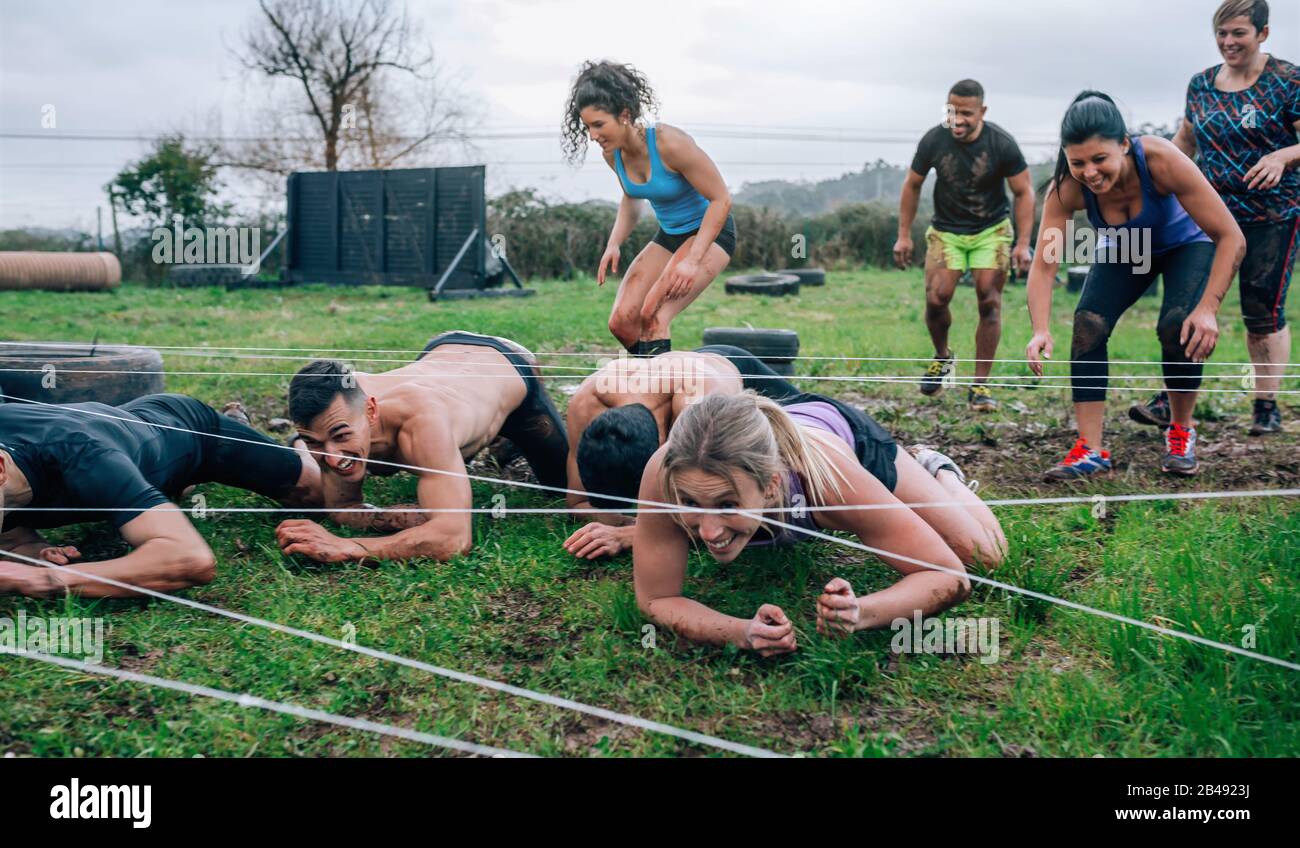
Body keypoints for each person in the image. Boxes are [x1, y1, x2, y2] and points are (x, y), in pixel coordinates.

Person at [632, 393, 1006, 656]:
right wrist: (741, 632)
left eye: (728, 504)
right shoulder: (666, 470)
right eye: (691, 504)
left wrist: (862, 612)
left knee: (985, 555)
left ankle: (933, 468)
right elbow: (656, 598)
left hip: (846, 440)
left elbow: (948, 576)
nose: (709, 533)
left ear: (771, 486)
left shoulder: (830, 481)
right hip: (765, 440)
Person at [1025, 92, 1246, 480]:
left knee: (1177, 324)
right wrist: (1040, 329)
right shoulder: (1066, 189)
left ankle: (1181, 430)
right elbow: (1045, 267)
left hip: (1187, 243)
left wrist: (1208, 308)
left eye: (1099, 160)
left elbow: (1231, 237)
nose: (1090, 173)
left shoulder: (1161, 160)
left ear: (1124, 144)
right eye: (1078, 162)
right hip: (1129, 247)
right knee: (1088, 324)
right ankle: (1090, 450)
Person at [1132, 0, 1299, 435]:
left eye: (1238, 33)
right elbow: (1183, 142)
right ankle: (1172, 398)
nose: (1229, 42)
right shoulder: (1201, 86)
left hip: (1273, 213)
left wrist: (1284, 155)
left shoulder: (1288, 81)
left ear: (1262, 33)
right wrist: (1147, 177)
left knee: (1261, 312)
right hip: (1207, 216)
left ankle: (1266, 405)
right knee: (1187, 306)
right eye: (1222, 34)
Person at [275, 331, 568, 563]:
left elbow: (453, 540)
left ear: (371, 411)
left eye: (340, 436)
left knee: (563, 487)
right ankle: (496, 445)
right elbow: (342, 507)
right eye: (312, 442)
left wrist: (349, 547)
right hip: (441, 351)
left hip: (509, 364)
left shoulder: (420, 420)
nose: (332, 458)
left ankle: (506, 441)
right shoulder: (339, 410)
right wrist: (392, 517)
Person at [0, 393, 321, 597]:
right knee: (164, 488)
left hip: (191, 431)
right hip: (127, 438)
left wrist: (41, 579)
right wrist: (32, 552)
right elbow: (14, 539)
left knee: (311, 492)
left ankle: (299, 446)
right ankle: (174, 485)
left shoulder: (80, 454)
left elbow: (190, 559)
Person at [562, 345, 803, 559]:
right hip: (678, 372)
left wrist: (628, 534)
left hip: (730, 370)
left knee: (812, 422)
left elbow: (719, 504)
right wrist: (624, 519)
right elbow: (578, 502)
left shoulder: (704, 412)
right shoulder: (586, 403)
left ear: (660, 447)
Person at [563, 60, 735, 357]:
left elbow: (721, 199)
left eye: (599, 124)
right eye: (587, 126)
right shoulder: (612, 155)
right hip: (669, 235)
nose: (592, 135)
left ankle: (661, 397)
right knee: (622, 323)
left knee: (654, 316)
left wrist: (693, 260)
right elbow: (631, 198)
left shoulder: (670, 143)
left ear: (625, 115)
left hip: (709, 234)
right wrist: (614, 243)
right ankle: (660, 383)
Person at [894, 79, 1036, 411]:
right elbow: (912, 185)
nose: (957, 120)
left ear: (982, 112)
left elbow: (1024, 191)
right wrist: (903, 234)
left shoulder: (1001, 143)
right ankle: (942, 357)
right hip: (946, 231)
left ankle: (980, 387)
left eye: (966, 113)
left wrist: (1023, 244)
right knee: (937, 297)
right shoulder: (933, 140)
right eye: (951, 111)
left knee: (989, 299)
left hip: (991, 230)